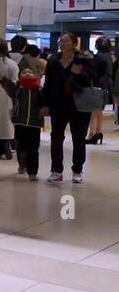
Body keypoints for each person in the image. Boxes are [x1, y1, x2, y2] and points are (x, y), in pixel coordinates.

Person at [42, 32, 93, 183]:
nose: (62, 43)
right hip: (58, 104)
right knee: (56, 137)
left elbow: (92, 79)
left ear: (74, 43)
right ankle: (56, 170)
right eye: (61, 41)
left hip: (79, 105)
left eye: (65, 41)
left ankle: (77, 170)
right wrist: (45, 104)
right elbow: (48, 83)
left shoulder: (83, 59)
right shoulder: (53, 60)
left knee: (78, 138)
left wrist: (78, 73)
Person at [13, 67, 43, 181]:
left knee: (33, 149)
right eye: (24, 72)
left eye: (30, 72)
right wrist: (2, 79)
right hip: (20, 122)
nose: (27, 74)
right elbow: (7, 85)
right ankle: (22, 165)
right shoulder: (17, 89)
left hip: (35, 124)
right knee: (20, 147)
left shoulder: (39, 89)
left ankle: (33, 172)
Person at [86, 37, 113, 145]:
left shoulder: (98, 57)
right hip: (106, 84)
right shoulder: (109, 57)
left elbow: (94, 72)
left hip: (98, 84)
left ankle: (92, 134)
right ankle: (98, 132)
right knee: (98, 110)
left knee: (93, 110)